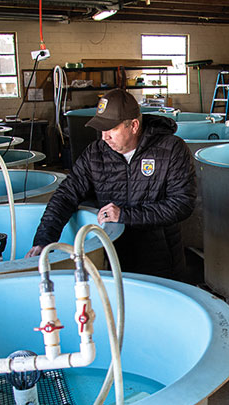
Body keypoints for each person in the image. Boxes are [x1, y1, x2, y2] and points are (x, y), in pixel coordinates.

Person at [27, 89, 196, 280]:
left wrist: (125, 215)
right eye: (101, 129)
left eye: (112, 129)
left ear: (133, 125)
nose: (104, 137)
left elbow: (182, 204)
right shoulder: (96, 153)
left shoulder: (171, 150)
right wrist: (44, 241)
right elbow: (66, 195)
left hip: (160, 260)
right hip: (112, 255)